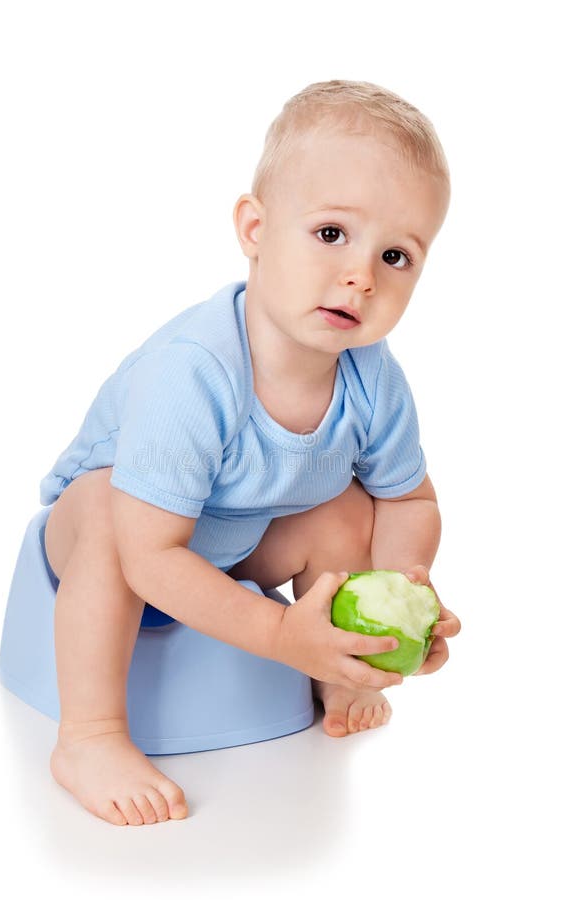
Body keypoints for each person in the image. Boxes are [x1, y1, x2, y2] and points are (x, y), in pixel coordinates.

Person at [39, 79, 461, 827]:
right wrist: (276, 636)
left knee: (347, 509)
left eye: (396, 255)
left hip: (237, 538)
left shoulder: (373, 377)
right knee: (108, 518)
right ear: (255, 228)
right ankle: (90, 734)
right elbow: (151, 557)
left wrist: (398, 604)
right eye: (332, 234)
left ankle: (337, 670)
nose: (361, 275)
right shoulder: (194, 369)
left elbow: (408, 498)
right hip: (121, 535)